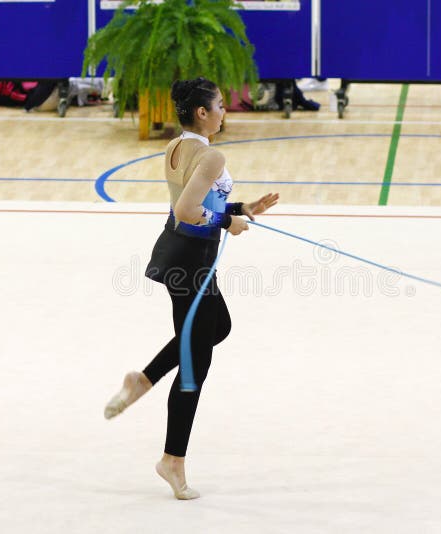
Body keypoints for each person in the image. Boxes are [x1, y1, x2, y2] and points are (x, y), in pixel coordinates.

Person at [103, 77, 279, 500]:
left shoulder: (178, 147)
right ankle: (172, 461)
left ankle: (142, 379)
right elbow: (187, 210)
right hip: (191, 262)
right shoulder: (212, 155)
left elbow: (197, 200)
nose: (225, 110)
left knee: (216, 328)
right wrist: (227, 223)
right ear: (202, 112)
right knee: (195, 365)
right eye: (220, 105)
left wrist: (242, 209)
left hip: (181, 255)